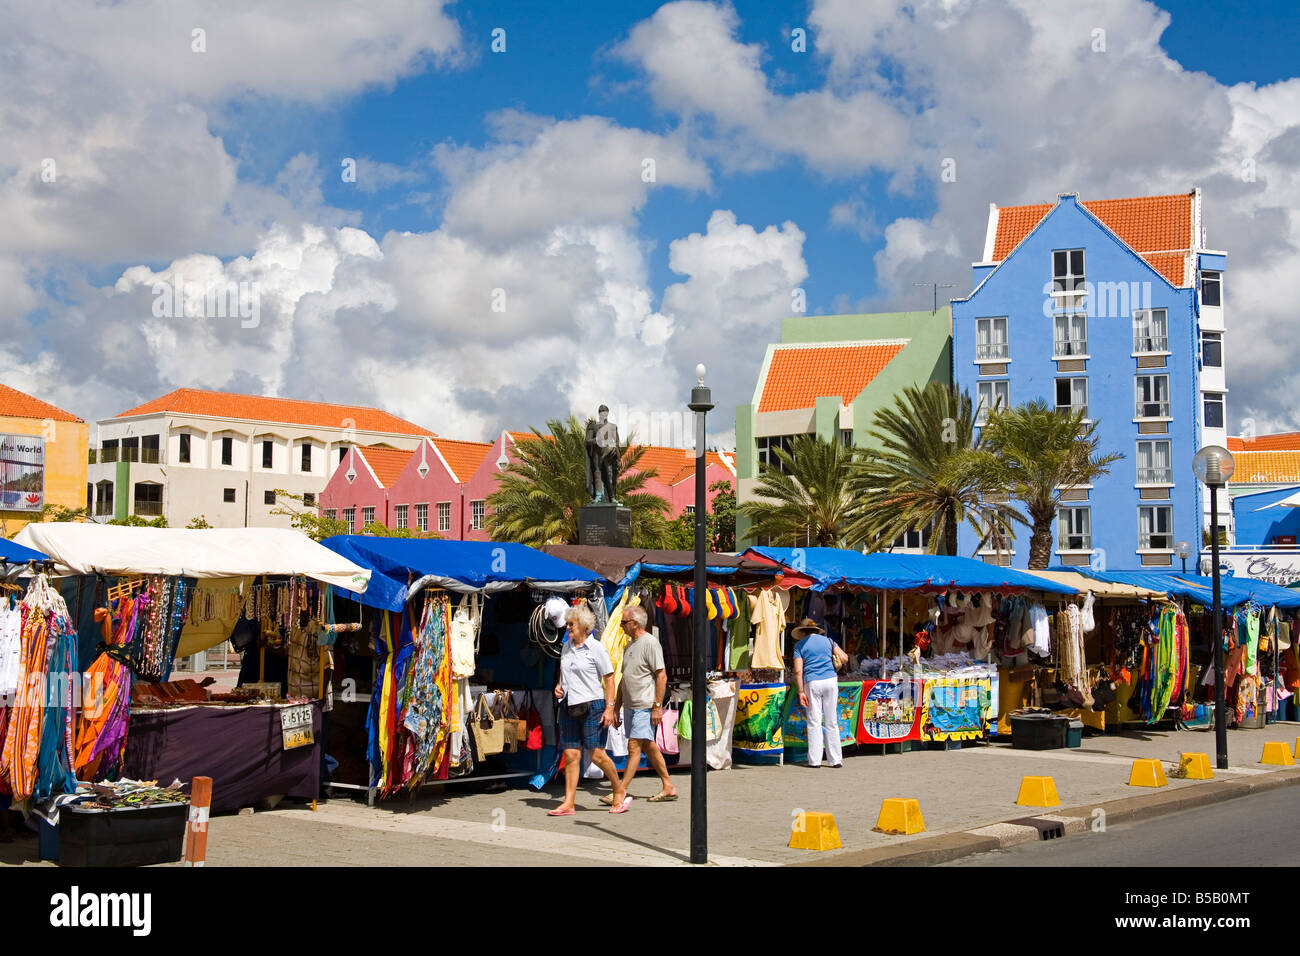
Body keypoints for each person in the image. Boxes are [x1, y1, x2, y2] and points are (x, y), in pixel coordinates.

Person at [549, 605, 630, 815]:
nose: (568, 628)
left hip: (593, 705)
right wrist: (560, 686)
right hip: (569, 704)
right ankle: (569, 803)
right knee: (570, 754)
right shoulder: (566, 647)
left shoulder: (596, 648)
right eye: (567, 624)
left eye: (571, 624)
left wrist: (610, 708)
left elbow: (609, 678)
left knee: (596, 755)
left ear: (584, 626)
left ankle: (618, 789)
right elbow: (564, 674)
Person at [607, 605, 677, 804]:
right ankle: (668, 785)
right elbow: (624, 678)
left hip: (644, 705)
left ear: (635, 624)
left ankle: (620, 790)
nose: (621, 626)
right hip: (631, 705)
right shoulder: (630, 645)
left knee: (634, 746)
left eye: (623, 622)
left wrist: (656, 706)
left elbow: (661, 675)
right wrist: (616, 706)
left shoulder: (650, 643)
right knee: (648, 745)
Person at [793, 618, 848, 768]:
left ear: (802, 632)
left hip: (812, 683)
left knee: (814, 722)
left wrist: (800, 691)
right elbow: (844, 658)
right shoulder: (829, 641)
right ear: (816, 630)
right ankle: (835, 759)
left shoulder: (799, 645)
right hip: (831, 680)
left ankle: (815, 760)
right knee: (832, 721)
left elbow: (798, 670)